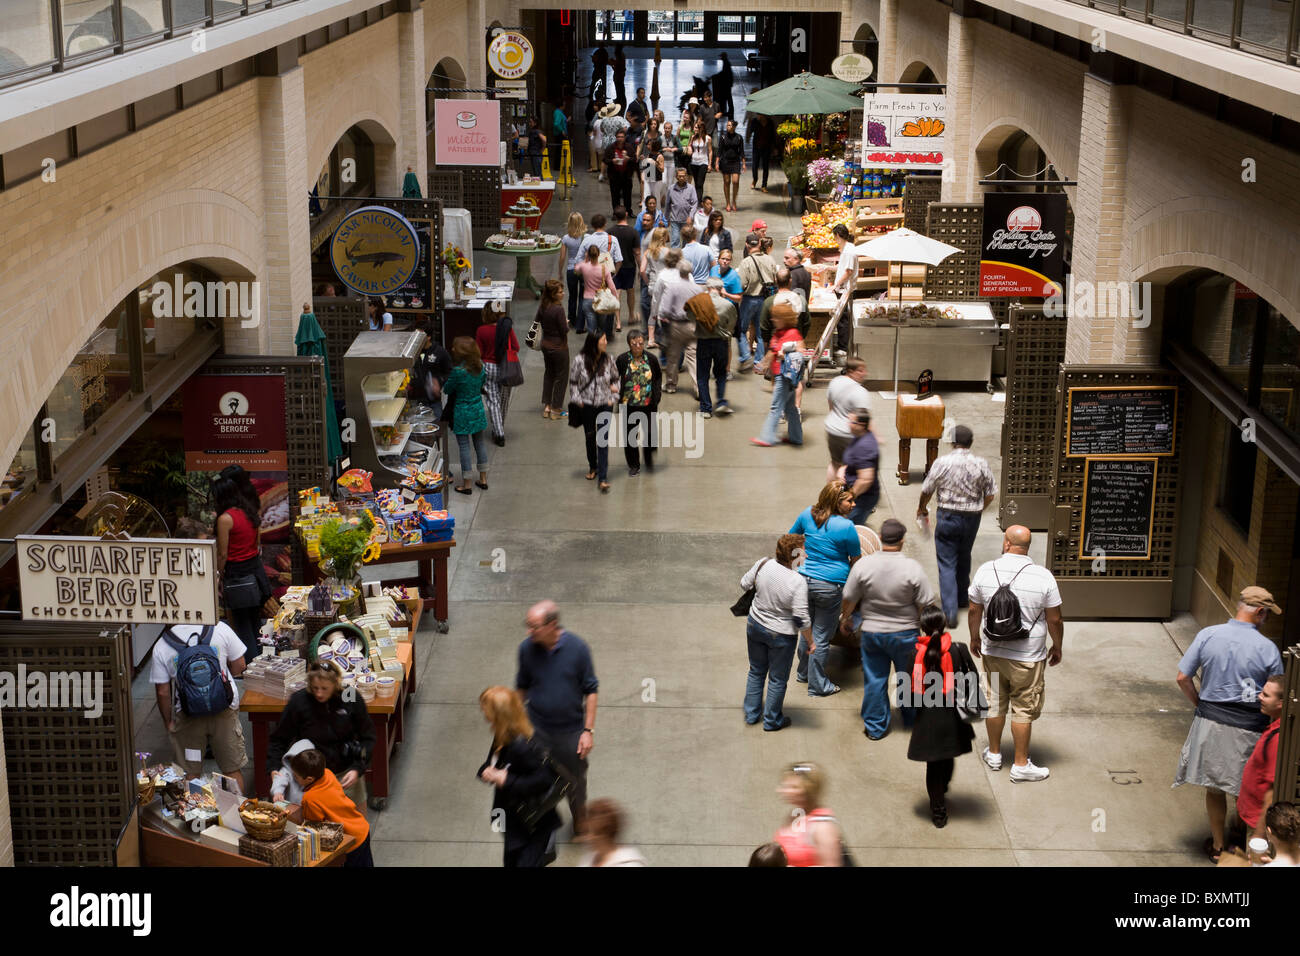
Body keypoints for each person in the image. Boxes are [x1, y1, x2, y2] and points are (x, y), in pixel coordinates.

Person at [1173, 587, 1284, 862]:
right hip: (1251, 726)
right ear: (1260, 612)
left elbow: (1182, 677)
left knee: (1214, 786)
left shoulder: (1208, 635)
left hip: (1211, 720)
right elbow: (1277, 690)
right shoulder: (1268, 648)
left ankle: (1218, 845)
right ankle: (1244, 835)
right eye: (1267, 614)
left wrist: (1200, 703)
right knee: (1244, 784)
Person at [968, 525, 1064, 783]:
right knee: (1023, 707)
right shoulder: (1044, 577)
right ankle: (1021, 764)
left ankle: (995, 753)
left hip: (993, 651)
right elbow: (1055, 620)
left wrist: (975, 637)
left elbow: (974, 610)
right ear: (1028, 547)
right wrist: (1057, 646)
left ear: (1006, 543)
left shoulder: (986, 570)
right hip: (1028, 656)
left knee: (995, 700)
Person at [841, 518, 936, 739]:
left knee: (875, 680)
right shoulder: (912, 568)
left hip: (872, 634)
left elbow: (848, 597)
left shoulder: (863, 566)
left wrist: (846, 619)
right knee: (909, 678)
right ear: (902, 541)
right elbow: (926, 604)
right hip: (906, 635)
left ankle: (875, 728)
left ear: (881, 538)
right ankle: (912, 720)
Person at [517, 600, 599, 831]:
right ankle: (542, 825)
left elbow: (591, 690)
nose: (528, 631)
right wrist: (512, 722)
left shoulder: (578, 649)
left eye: (534, 627)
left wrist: (587, 731)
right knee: (537, 779)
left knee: (575, 782)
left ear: (552, 625)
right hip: (537, 731)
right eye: (527, 625)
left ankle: (580, 824)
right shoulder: (526, 649)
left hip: (570, 733)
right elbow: (522, 687)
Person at [151, 617, 248, 784]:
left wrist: (168, 722)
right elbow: (240, 665)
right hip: (224, 710)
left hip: (189, 715)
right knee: (231, 769)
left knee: (189, 772)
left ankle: (193, 809)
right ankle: (236, 808)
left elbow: (162, 692)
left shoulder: (162, 644)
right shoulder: (219, 629)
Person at [918, 424, 998, 626]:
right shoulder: (981, 463)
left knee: (946, 562)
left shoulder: (942, 462)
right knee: (964, 555)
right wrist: (979, 508)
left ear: (953, 442)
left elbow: (927, 489)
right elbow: (990, 493)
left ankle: (950, 613)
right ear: (970, 443)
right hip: (972, 517)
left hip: (948, 516)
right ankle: (963, 598)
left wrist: (922, 508)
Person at [788, 481, 862, 696]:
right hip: (829, 587)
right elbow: (855, 558)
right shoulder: (846, 527)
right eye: (849, 501)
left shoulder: (806, 514)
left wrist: (800, 562)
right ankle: (818, 685)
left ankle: (803, 672)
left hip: (802, 581)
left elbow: (790, 539)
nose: (854, 504)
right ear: (837, 503)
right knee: (821, 635)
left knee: (807, 630)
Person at [268, 660, 374, 808]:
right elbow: (279, 738)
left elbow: (367, 737)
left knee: (356, 823)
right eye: (315, 687)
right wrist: (274, 767)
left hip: (346, 772)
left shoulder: (349, 696)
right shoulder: (299, 701)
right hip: (313, 779)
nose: (319, 693)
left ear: (336, 683)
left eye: (325, 688)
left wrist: (358, 768)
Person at [906, 606, 976, 828]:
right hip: (953, 717)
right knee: (947, 757)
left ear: (922, 627)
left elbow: (908, 696)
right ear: (944, 625)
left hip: (927, 719)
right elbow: (972, 681)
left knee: (933, 766)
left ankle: (938, 810)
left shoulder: (914, 655)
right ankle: (943, 789)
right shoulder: (959, 650)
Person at [477, 685, 562, 867]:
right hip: (515, 820)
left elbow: (545, 780)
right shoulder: (503, 735)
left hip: (532, 823)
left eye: (487, 711)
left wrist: (506, 779)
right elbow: (494, 760)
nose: (485, 716)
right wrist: (487, 770)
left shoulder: (523, 746)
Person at [742, 533, 810, 731]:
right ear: (793, 556)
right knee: (777, 679)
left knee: (756, 671)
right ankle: (772, 721)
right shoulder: (797, 581)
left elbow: (744, 583)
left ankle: (752, 714)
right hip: (781, 635)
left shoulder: (763, 564)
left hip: (755, 625)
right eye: (803, 553)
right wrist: (811, 642)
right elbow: (801, 618)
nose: (805, 556)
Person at [212, 464, 270, 663]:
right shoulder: (248, 511)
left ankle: (251, 665)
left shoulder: (225, 518)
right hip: (254, 572)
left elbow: (222, 553)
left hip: (237, 576)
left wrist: (218, 576)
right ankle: (263, 659)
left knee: (242, 625)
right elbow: (257, 542)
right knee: (254, 621)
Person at [291, 748, 373, 866]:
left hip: (350, 840)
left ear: (309, 779)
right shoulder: (328, 773)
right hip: (361, 827)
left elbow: (314, 825)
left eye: (296, 776)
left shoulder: (310, 798)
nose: (294, 778)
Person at [1236, 674, 1285, 846]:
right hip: (1251, 818)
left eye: (1266, 695)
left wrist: (1259, 833)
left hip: (1258, 824)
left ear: (1281, 703)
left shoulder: (1278, 739)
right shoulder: (1274, 727)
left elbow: (1271, 792)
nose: (1259, 697)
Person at [569, 331, 621, 492]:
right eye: (603, 340)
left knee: (603, 440)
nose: (606, 342)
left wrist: (614, 396)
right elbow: (573, 382)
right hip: (587, 406)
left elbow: (616, 379)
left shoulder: (609, 360)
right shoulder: (579, 360)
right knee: (590, 438)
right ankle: (593, 467)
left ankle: (603, 478)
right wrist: (577, 400)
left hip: (605, 404)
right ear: (594, 343)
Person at [752, 299, 805, 447]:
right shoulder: (778, 333)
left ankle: (767, 437)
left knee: (776, 407)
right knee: (790, 408)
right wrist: (762, 364)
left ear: (784, 319)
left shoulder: (793, 333)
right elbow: (772, 351)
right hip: (781, 375)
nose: (773, 319)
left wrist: (785, 354)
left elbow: (801, 351)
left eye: (776, 317)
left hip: (785, 377)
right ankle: (796, 437)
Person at [443, 336, 490, 495]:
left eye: (455, 347)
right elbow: (482, 384)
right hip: (477, 409)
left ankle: (467, 483)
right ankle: (483, 479)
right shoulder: (481, 367)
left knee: (464, 447)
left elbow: (447, 389)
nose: (452, 349)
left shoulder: (458, 372)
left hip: (462, 412)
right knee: (480, 444)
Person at [774, 763, 844, 867]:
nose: (783, 790)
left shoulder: (822, 824)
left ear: (808, 790)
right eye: (784, 786)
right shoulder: (795, 815)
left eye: (793, 787)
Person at [616, 329, 661, 476]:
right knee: (630, 437)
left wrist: (657, 395)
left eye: (641, 343)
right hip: (629, 405)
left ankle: (648, 458)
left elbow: (658, 378)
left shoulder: (652, 359)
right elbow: (616, 378)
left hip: (648, 404)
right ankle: (634, 465)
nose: (638, 346)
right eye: (634, 343)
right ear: (629, 344)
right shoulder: (622, 360)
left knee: (650, 435)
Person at [475, 310, 520, 447]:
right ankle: (499, 426)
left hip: (489, 367)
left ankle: (499, 433)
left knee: (493, 400)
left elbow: (478, 352)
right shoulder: (507, 328)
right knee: (504, 400)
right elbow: (516, 347)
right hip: (506, 367)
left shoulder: (481, 330)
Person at [656, 259, 700, 397]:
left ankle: (671, 385)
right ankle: (698, 387)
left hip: (676, 326)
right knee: (693, 357)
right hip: (693, 326)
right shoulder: (697, 288)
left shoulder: (673, 287)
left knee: (673, 356)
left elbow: (664, 310)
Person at [695, 277, 736, 418]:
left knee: (702, 376)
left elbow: (690, 318)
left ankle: (706, 408)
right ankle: (721, 402)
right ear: (721, 289)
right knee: (721, 374)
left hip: (703, 342)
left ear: (707, 287)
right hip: (721, 343)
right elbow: (732, 323)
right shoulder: (727, 305)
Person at [825, 357, 871, 481]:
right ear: (850, 371)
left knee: (835, 463)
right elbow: (864, 421)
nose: (864, 373)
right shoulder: (860, 392)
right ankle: (845, 497)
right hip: (849, 435)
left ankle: (830, 495)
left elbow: (831, 406)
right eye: (860, 371)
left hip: (832, 430)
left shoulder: (834, 381)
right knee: (849, 469)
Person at [736, 236, 776, 369]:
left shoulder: (746, 262)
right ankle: (758, 361)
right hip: (764, 299)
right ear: (760, 244)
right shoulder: (769, 259)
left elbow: (741, 284)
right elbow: (774, 278)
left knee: (741, 329)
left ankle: (745, 355)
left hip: (749, 299)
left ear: (747, 245)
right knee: (760, 332)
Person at [577, 799, 648, 866]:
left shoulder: (629, 863)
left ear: (602, 835)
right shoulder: (588, 859)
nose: (583, 838)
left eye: (587, 832)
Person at [537, 279, 569, 421]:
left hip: (546, 345)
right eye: (560, 292)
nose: (563, 294)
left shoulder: (543, 307)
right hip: (559, 347)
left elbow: (537, 321)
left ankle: (547, 406)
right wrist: (566, 323)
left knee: (549, 374)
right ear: (554, 294)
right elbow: (564, 330)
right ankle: (556, 409)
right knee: (561, 377)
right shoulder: (559, 309)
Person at [840, 410, 879, 525]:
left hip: (861, 500)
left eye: (851, 422)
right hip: (855, 494)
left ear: (861, 425)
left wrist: (849, 498)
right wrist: (843, 469)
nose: (848, 424)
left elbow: (865, 480)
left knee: (850, 527)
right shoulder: (860, 436)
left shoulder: (865, 447)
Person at [574, 244, 619, 343]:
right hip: (601, 301)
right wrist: (616, 297)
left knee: (591, 327)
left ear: (588, 255)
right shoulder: (604, 269)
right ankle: (601, 344)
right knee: (602, 326)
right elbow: (611, 286)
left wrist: (585, 260)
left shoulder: (584, 267)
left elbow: (576, 269)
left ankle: (592, 346)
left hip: (587, 301)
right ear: (598, 254)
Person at [829, 224, 857, 358]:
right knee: (841, 318)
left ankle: (843, 348)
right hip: (842, 288)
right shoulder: (846, 249)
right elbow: (842, 268)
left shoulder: (849, 251)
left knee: (843, 319)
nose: (835, 240)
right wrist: (827, 268)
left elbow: (848, 272)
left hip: (845, 289)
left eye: (835, 237)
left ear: (838, 236)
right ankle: (842, 345)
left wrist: (835, 286)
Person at [609, 205, 640, 328]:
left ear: (615, 216)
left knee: (616, 292)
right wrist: (640, 268)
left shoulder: (609, 232)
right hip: (629, 265)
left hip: (614, 266)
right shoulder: (633, 232)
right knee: (630, 291)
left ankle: (617, 322)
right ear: (626, 214)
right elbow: (637, 252)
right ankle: (631, 315)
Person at [640, 226, 671, 347]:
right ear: (663, 237)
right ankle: (666, 337)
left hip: (653, 284)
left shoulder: (648, 252)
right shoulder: (668, 252)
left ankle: (651, 339)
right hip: (665, 285)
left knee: (653, 312)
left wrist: (648, 282)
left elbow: (642, 270)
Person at [560, 212, 587, 333]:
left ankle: (572, 320)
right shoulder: (586, 237)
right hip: (583, 270)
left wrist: (560, 271)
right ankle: (580, 323)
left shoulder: (566, 238)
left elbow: (562, 257)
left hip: (571, 270)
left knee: (572, 296)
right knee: (582, 296)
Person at [665, 166, 698, 248]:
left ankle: (685, 257)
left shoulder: (691, 188)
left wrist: (691, 216)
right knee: (675, 240)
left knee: (686, 241)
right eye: (680, 176)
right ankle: (675, 258)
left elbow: (695, 203)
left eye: (683, 176)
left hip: (687, 220)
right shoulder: (671, 189)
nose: (682, 178)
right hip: (675, 219)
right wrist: (666, 218)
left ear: (686, 176)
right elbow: (667, 204)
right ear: (676, 177)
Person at [603, 129, 635, 213]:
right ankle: (616, 213)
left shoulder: (629, 147)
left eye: (622, 137)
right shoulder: (610, 147)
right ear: (615, 137)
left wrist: (628, 159)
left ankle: (628, 211)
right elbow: (605, 160)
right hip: (614, 175)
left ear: (625, 138)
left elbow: (635, 159)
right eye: (618, 137)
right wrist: (612, 161)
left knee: (627, 195)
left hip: (626, 175)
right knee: (615, 195)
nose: (620, 138)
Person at [716, 119, 745, 212]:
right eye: (727, 125)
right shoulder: (723, 137)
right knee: (727, 182)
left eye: (729, 125)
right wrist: (716, 162)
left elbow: (742, 151)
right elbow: (719, 151)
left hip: (736, 161)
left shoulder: (739, 138)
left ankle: (734, 201)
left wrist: (743, 163)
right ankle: (728, 202)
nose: (727, 127)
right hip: (725, 162)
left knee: (735, 181)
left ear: (734, 127)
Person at [747, 114, 775, 192]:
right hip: (757, 147)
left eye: (762, 115)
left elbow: (773, 135)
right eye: (759, 115)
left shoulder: (770, 123)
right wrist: (752, 121)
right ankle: (755, 179)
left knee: (765, 166)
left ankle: (764, 185)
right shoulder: (755, 122)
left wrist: (774, 147)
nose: (761, 116)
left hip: (767, 147)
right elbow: (751, 130)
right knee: (754, 165)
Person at [688, 120, 711, 197]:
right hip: (694, 162)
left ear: (702, 128)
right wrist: (689, 148)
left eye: (697, 128)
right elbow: (689, 146)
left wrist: (710, 164)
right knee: (696, 182)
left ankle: (699, 201)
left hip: (703, 162)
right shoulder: (693, 137)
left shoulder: (708, 138)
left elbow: (710, 151)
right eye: (695, 128)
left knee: (700, 183)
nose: (695, 129)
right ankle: (697, 200)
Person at [712, 55, 735, 120]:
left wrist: (716, 75)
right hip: (727, 84)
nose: (721, 58)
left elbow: (724, 73)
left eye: (722, 57)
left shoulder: (726, 63)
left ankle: (731, 111)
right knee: (728, 98)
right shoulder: (726, 62)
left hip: (727, 84)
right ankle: (730, 110)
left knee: (728, 98)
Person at [611, 43, 626, 107]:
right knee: (621, 86)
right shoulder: (622, 55)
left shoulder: (619, 55)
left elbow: (617, 66)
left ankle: (619, 99)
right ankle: (621, 99)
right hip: (621, 73)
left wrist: (612, 65)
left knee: (618, 86)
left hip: (618, 73)